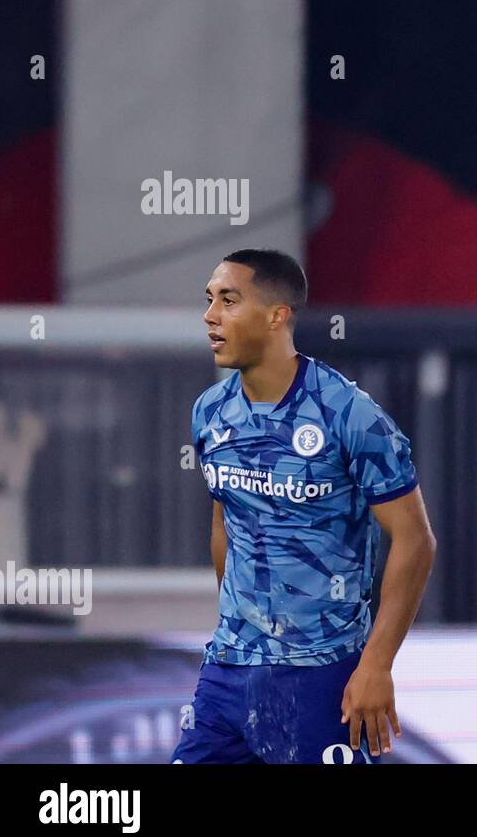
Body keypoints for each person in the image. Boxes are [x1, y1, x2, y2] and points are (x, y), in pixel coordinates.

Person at [172, 248, 436, 764]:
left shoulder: (349, 413)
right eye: (209, 300)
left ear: (277, 315)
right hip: (227, 670)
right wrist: (242, 620)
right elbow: (226, 518)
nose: (210, 315)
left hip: (321, 676)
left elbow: (414, 538)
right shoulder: (210, 411)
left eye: (229, 300)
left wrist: (377, 665)